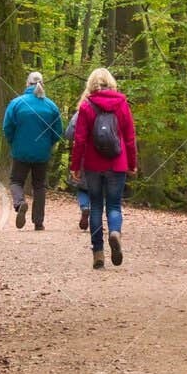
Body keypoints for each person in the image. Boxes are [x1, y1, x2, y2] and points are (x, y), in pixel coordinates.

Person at [69, 67, 137, 268]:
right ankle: (115, 232)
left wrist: (75, 166)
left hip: (92, 165)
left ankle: (98, 254)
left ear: (91, 84)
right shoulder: (122, 104)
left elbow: (79, 140)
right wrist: (132, 164)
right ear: (111, 83)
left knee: (96, 206)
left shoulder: (86, 106)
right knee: (114, 205)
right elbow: (130, 138)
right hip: (117, 163)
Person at [2, 71, 64, 231]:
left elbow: (7, 127)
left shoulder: (17, 103)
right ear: (42, 84)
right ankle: (38, 222)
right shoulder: (51, 106)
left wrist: (13, 142)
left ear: (27, 84)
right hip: (42, 153)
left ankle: (20, 203)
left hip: (20, 151)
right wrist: (48, 143)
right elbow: (58, 131)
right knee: (39, 186)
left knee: (16, 181)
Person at [63, 108, 91, 231]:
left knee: (81, 186)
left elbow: (69, 134)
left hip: (84, 154)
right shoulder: (114, 111)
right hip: (105, 156)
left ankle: (85, 207)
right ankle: (96, 219)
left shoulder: (81, 112)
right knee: (102, 187)